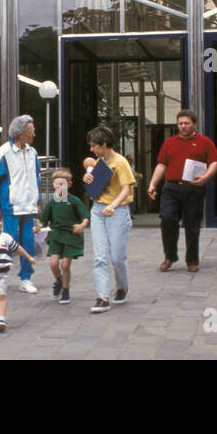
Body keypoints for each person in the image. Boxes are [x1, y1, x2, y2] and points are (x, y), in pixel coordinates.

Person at [147, 109, 217, 272]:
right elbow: (161, 164)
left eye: (187, 123)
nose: (183, 126)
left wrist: (206, 177)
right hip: (171, 187)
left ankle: (192, 259)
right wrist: (153, 184)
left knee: (192, 225)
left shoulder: (205, 142)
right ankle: (170, 256)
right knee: (167, 219)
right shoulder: (169, 142)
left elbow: (215, 162)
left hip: (194, 187)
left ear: (194, 124)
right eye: (180, 123)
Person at [0, 115, 41, 293]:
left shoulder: (33, 153)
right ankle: (0, 278)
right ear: (20, 134)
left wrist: (37, 201)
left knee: (28, 243)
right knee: (7, 244)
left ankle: (26, 278)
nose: (34, 134)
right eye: (31, 131)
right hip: (9, 207)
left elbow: (36, 178)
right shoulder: (4, 153)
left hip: (28, 207)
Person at [82, 125, 136, 313]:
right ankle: (102, 297)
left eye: (94, 146)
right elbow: (92, 177)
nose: (91, 149)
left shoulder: (120, 162)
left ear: (104, 144)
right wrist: (87, 178)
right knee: (99, 255)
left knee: (118, 256)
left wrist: (113, 206)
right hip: (97, 209)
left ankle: (122, 287)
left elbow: (126, 189)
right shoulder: (100, 161)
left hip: (117, 211)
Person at [35, 168, 89, 305]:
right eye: (56, 183)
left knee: (65, 265)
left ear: (69, 184)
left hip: (71, 236)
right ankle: (59, 280)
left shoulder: (74, 201)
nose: (59, 186)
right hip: (55, 236)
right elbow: (43, 219)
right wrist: (38, 227)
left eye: (62, 183)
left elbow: (85, 217)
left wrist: (81, 226)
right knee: (53, 263)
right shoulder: (52, 203)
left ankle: (65, 290)